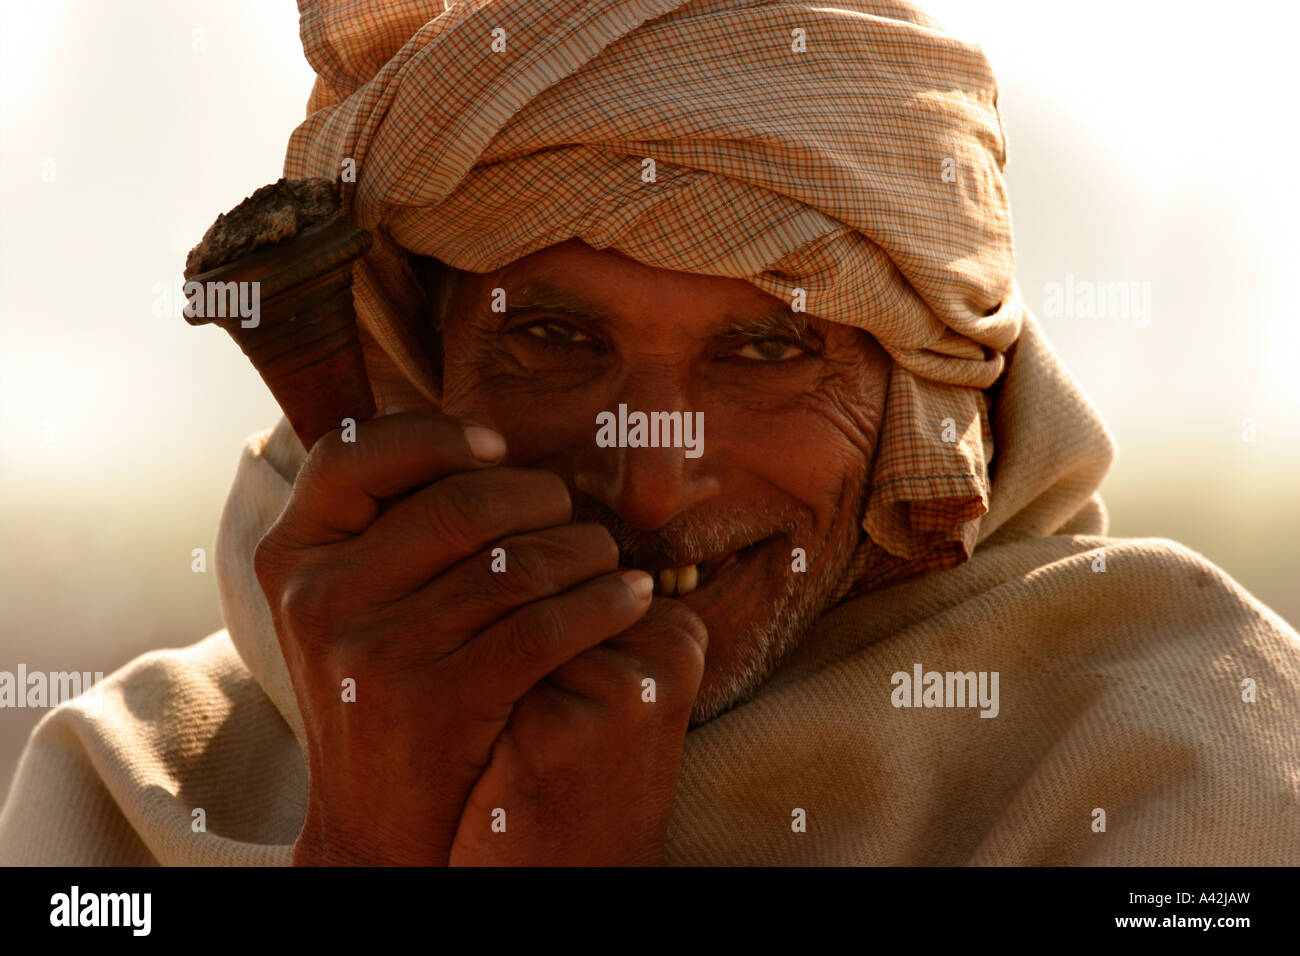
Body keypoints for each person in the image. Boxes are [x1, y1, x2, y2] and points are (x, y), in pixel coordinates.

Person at [2, 0, 1297, 866]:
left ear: (921, 400)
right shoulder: (129, 793)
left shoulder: (1189, 759)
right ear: (419, 367)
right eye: (556, 343)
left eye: (771, 352)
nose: (656, 482)